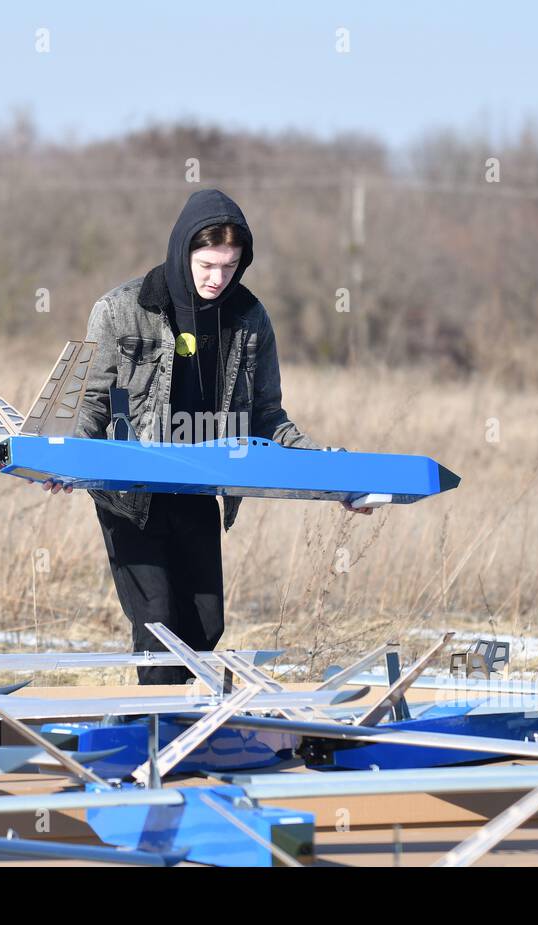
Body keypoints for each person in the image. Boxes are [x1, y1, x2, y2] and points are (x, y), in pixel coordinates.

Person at [53, 189, 369, 684]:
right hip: (129, 493)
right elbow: (90, 399)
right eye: (206, 264)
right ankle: (156, 743)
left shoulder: (249, 319)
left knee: (205, 625)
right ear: (183, 251)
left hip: (199, 487)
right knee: (158, 624)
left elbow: (268, 417)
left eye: (229, 265)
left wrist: (334, 475)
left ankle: (181, 726)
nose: (216, 278)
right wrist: (64, 461)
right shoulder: (120, 309)